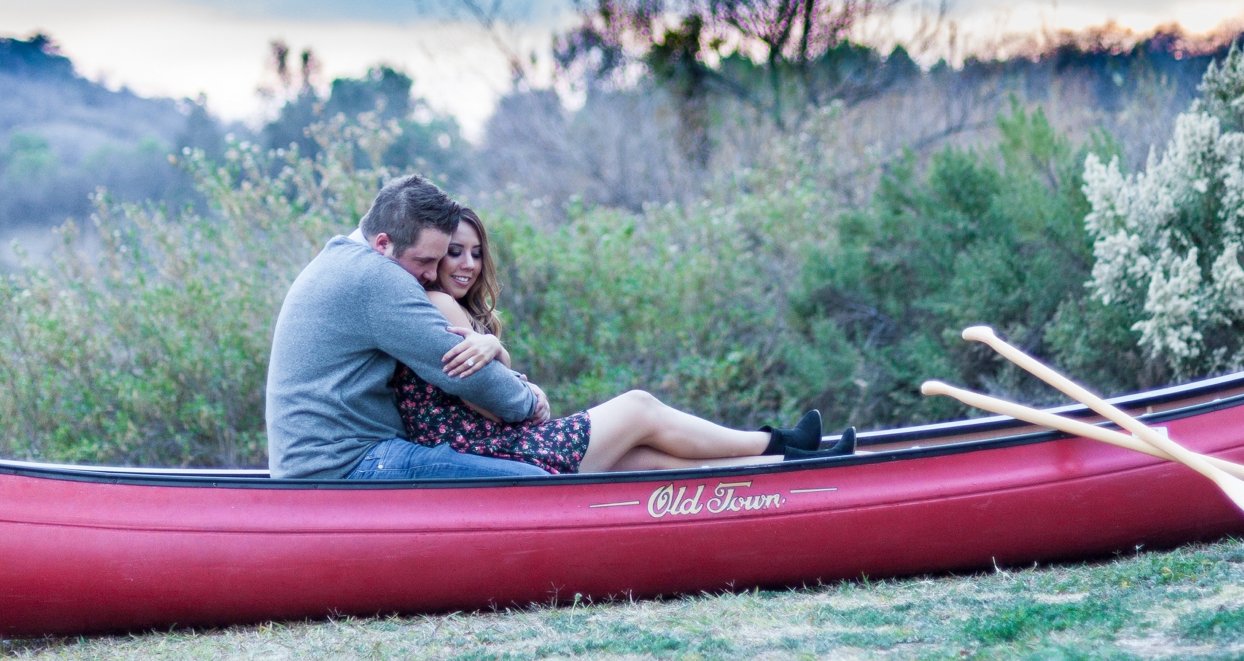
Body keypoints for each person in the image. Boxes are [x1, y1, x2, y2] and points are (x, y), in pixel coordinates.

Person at [392, 206, 856, 473]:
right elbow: (492, 403)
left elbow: (488, 381)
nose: (468, 264)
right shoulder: (439, 301)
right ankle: (777, 444)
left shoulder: (448, 307)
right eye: (455, 252)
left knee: (647, 457)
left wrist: (497, 348)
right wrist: (516, 379)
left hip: (498, 445)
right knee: (639, 407)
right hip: (489, 453)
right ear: (434, 254)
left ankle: (786, 468)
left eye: (476, 253)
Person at [264, 175, 551, 480]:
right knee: (534, 482)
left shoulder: (340, 258)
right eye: (424, 261)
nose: (431, 274)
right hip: (342, 464)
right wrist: (529, 400)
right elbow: (456, 366)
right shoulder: (377, 277)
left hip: (319, 461)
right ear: (383, 243)